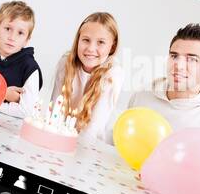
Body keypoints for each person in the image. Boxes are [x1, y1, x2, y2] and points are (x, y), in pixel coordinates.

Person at [28, 12, 127, 143]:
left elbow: (93, 129)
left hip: (91, 146)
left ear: (112, 46)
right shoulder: (66, 63)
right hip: (62, 138)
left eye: (101, 42)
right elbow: (55, 112)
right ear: (78, 40)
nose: (91, 48)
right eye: (86, 40)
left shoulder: (113, 74)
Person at [0, 0, 43, 118]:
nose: (12, 37)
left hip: (10, 127)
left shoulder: (30, 67)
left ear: (26, 40)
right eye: (8, 29)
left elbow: (26, 111)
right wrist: (3, 94)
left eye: (20, 33)